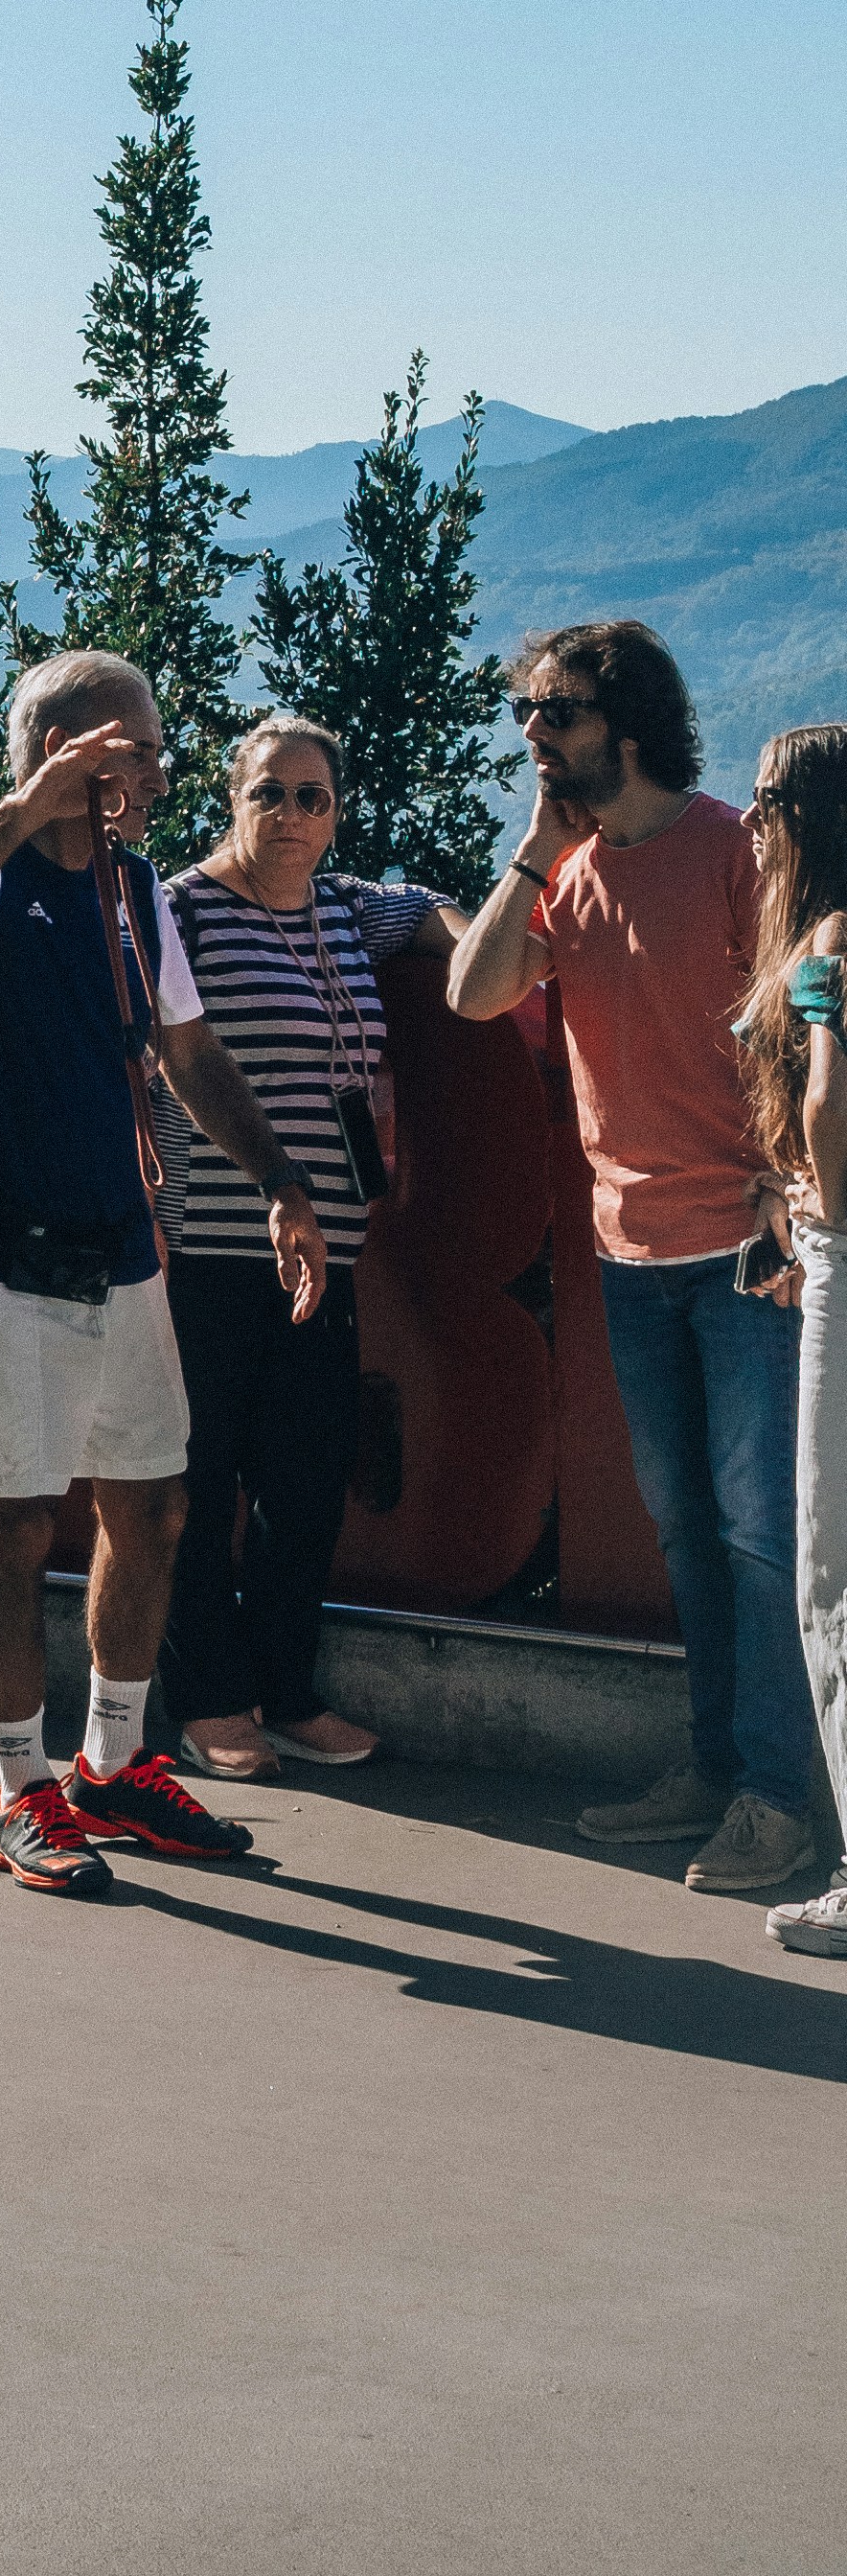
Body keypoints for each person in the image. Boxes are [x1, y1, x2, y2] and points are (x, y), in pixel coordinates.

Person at [0, 650, 331, 1895]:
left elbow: (188, 1057)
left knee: (152, 1511)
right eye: (125, 747)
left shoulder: (138, 893)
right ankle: (20, 1788)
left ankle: (113, 1765)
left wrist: (282, 1185)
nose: (148, 768)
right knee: (14, 1525)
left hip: (119, 1248)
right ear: (60, 753)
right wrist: (23, 810)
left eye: (148, 747)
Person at [449, 619, 814, 1898]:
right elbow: (473, 993)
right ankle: (717, 1772)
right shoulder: (571, 873)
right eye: (529, 715)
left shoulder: (730, 849)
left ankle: (785, 1800)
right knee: (689, 1532)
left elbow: (798, 1023)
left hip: (747, 1251)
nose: (534, 735)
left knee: (764, 1536)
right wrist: (535, 856)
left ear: (629, 722)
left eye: (556, 712)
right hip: (630, 1250)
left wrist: (784, 1185)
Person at [159, 716, 467, 1780]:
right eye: (269, 794)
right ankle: (208, 1699)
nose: (290, 815)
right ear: (231, 800)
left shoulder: (347, 912)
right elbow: (156, 1057)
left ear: (337, 812)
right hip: (208, 1242)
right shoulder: (182, 911)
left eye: (313, 797)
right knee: (196, 1483)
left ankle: (287, 1690)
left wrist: (468, 938)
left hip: (328, 1246)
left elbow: (429, 915)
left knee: (302, 1480)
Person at [726, 722, 847, 1956]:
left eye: (767, 801)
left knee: (829, 1568)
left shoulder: (832, 940)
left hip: (844, 1260)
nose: (751, 820)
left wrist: (819, 1219)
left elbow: (825, 1092)